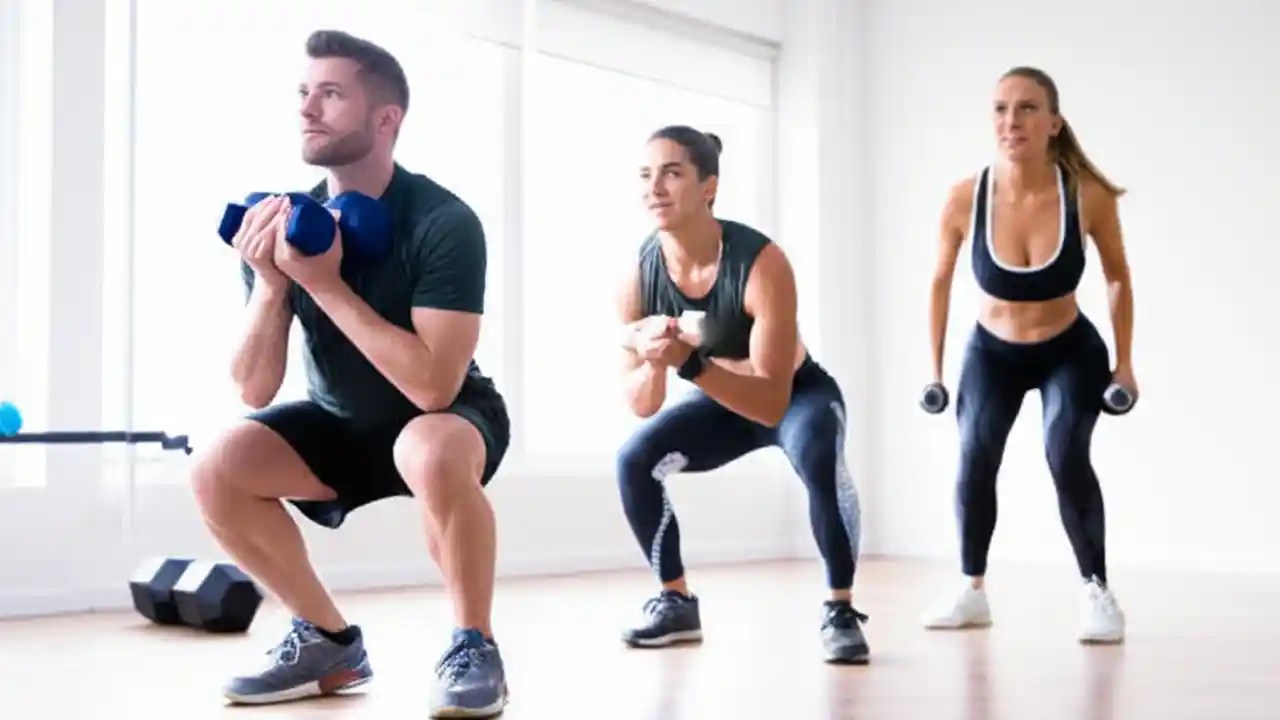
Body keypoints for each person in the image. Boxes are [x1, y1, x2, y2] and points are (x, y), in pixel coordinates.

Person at [189, 30, 510, 717]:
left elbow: (434, 387)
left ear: (386, 118)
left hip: (445, 418)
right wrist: (271, 285)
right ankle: (325, 641)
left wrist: (326, 285)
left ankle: (474, 644)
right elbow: (253, 387)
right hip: (342, 421)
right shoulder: (285, 224)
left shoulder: (443, 221)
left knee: (428, 447)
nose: (307, 109)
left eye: (330, 94)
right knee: (217, 465)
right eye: (304, 93)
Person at [614, 125, 870, 664]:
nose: (654, 187)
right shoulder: (638, 274)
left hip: (794, 394)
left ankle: (840, 609)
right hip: (720, 400)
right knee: (634, 460)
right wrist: (655, 359)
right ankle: (675, 602)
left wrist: (687, 363)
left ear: (709, 187)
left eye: (672, 173)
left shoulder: (761, 263)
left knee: (820, 455)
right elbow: (642, 403)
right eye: (645, 175)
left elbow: (772, 403)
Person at [921, 66, 1136, 643]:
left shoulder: (1086, 195)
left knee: (1065, 453)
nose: (1011, 121)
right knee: (975, 456)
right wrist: (934, 370)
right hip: (993, 353)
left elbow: (1117, 277)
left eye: (1027, 108)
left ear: (1054, 123)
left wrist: (1125, 364)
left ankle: (1097, 591)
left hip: (1069, 349)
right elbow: (939, 280)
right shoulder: (965, 197)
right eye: (1000, 108)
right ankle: (971, 591)